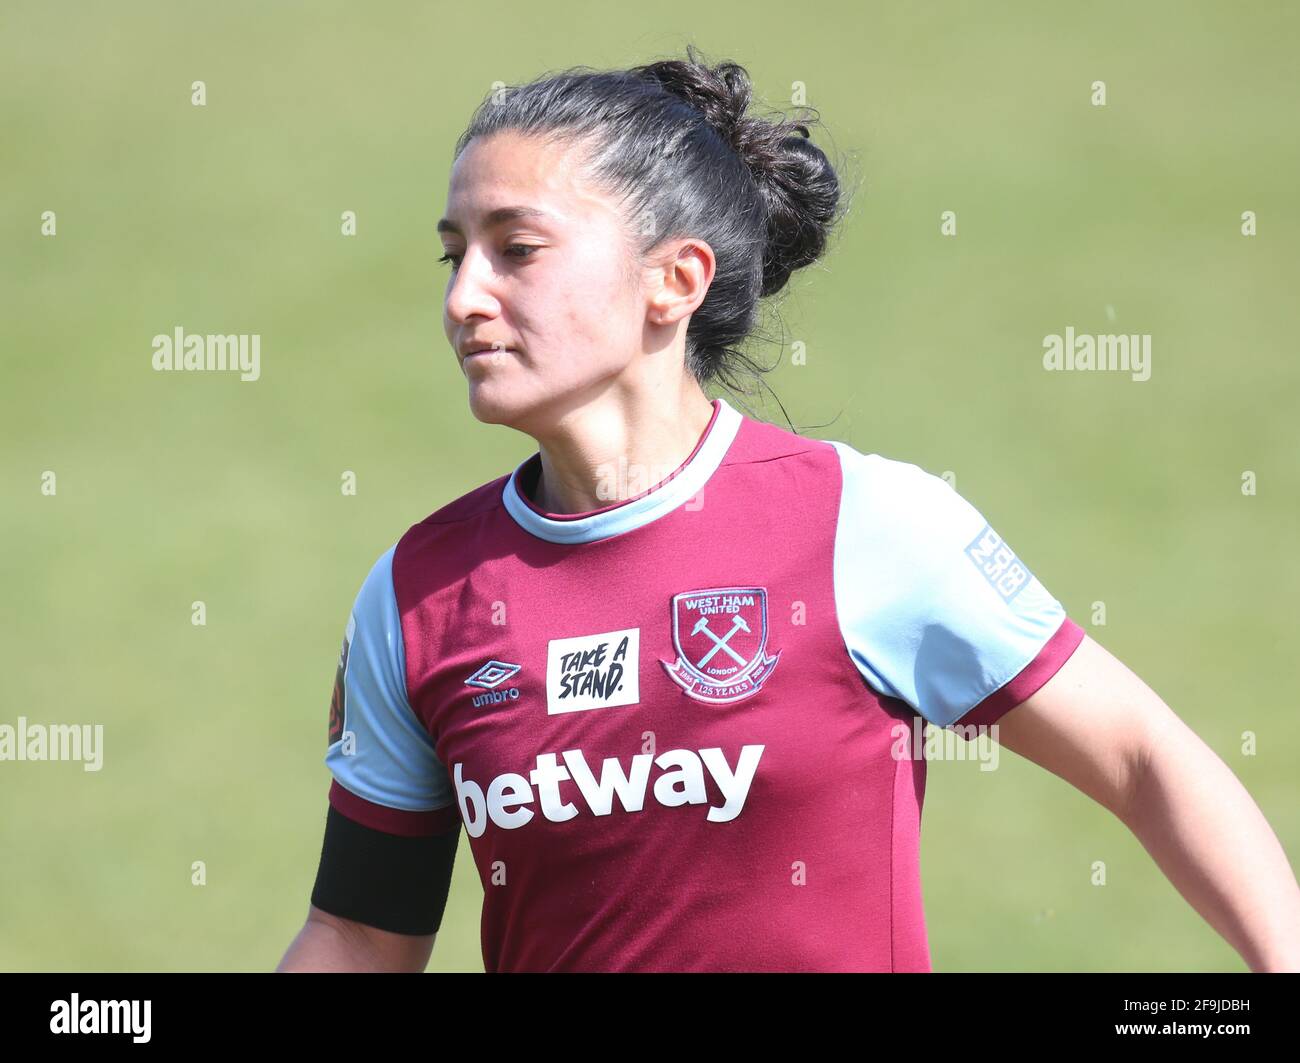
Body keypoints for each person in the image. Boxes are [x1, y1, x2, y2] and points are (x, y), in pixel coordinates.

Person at [277, 46, 1300, 973]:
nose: (464, 296)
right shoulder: (417, 596)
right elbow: (363, 934)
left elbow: (1139, 755)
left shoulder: (867, 525)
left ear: (673, 279)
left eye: (517, 249)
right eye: (453, 253)